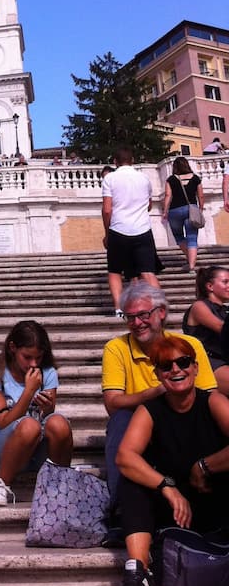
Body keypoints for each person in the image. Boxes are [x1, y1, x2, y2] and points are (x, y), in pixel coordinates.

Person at [114, 334, 229, 586]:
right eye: (166, 366)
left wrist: (204, 466)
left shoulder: (213, 402)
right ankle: (139, 573)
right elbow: (125, 456)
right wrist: (167, 486)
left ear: (195, 367)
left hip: (215, 500)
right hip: (175, 511)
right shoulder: (150, 410)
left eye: (183, 362)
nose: (176, 369)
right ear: (158, 375)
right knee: (132, 482)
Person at [101, 282, 216, 514]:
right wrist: (157, 392)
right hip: (140, 428)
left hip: (182, 423)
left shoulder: (189, 345)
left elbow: (209, 396)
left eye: (143, 315)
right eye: (130, 317)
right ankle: (120, 508)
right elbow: (112, 403)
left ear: (161, 312)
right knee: (121, 420)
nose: (137, 323)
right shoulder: (116, 348)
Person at [0, 320, 73, 505]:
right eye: (27, 357)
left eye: (38, 358)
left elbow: (48, 416)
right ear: (13, 348)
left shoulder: (47, 372)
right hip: (4, 447)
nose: (33, 363)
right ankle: (1, 484)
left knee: (59, 423)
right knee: (30, 425)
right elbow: (3, 421)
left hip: (37, 448)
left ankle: (58, 487)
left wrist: (47, 408)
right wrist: (29, 392)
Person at [101, 147, 159, 318]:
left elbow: (107, 209)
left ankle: (119, 309)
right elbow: (149, 205)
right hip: (143, 229)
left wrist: (107, 233)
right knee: (148, 272)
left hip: (118, 228)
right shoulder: (144, 178)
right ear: (132, 160)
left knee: (115, 271)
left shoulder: (110, 178)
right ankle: (159, 307)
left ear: (115, 162)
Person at [183, 265, 229, 394]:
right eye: (225, 282)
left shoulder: (225, 310)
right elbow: (223, 329)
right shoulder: (199, 306)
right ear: (210, 286)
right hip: (207, 361)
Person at [161, 156, 204, 272]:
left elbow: (168, 196)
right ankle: (191, 265)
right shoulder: (195, 178)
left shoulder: (171, 179)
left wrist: (165, 211)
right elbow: (200, 195)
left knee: (179, 236)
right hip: (191, 209)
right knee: (192, 237)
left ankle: (189, 259)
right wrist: (200, 208)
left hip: (175, 211)